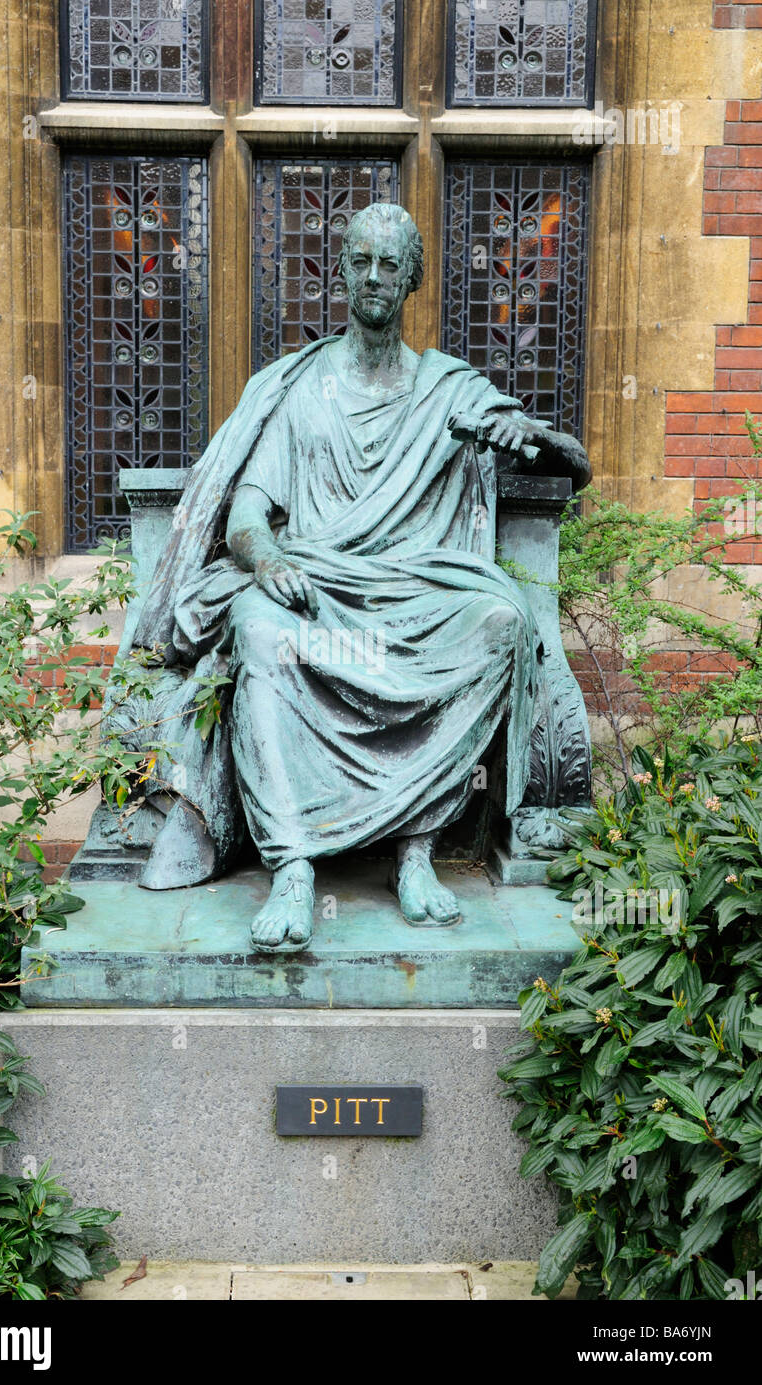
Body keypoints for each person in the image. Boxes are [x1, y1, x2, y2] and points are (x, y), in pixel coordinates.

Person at [128, 202, 591, 954]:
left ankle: (416, 852)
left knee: (501, 623)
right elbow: (246, 512)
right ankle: (293, 866)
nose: (374, 276)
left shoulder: (449, 389)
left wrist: (527, 440)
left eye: (389, 264)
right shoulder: (302, 388)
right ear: (341, 272)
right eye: (360, 261)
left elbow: (576, 463)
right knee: (256, 628)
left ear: (411, 279)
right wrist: (268, 560)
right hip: (315, 588)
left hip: (417, 592)